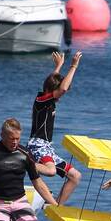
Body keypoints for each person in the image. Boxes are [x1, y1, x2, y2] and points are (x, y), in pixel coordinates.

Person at [27, 50, 83, 206]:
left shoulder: (46, 98)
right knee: (51, 171)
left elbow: (53, 84)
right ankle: (21, 162)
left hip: (47, 148)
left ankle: (56, 206)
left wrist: (58, 67)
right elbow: (62, 88)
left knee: (75, 176)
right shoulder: (41, 100)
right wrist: (73, 67)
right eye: (59, 94)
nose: (61, 97)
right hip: (37, 145)